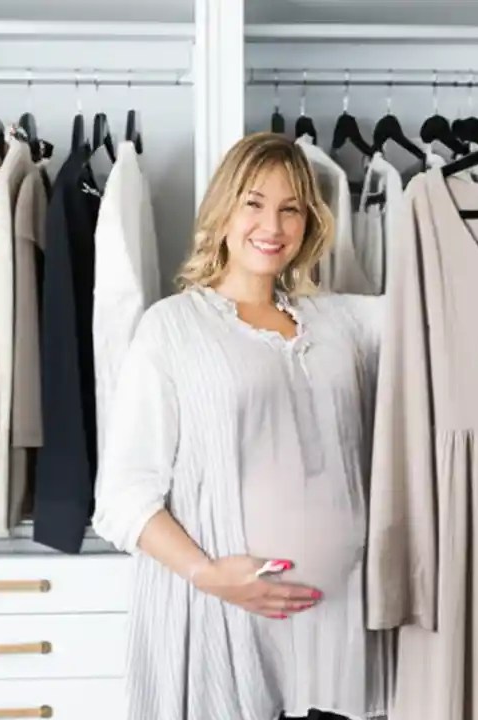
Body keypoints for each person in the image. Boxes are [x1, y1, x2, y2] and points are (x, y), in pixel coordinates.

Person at [92, 132, 385, 720]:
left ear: (310, 222)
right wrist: (208, 575)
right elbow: (123, 497)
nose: (271, 225)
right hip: (226, 630)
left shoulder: (343, 321)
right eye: (254, 203)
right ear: (224, 210)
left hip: (339, 638)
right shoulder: (172, 328)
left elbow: (452, 304)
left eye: (290, 208)